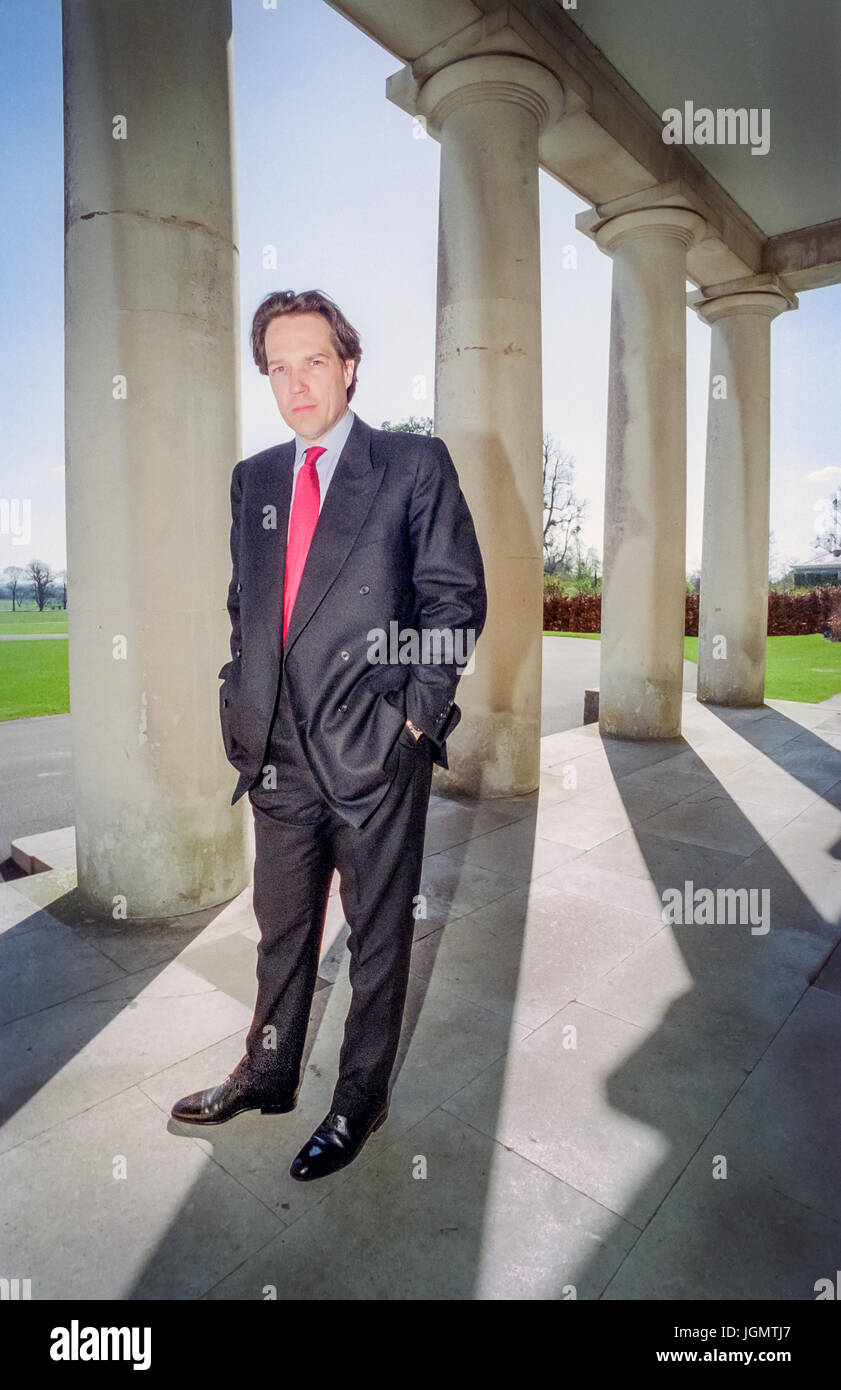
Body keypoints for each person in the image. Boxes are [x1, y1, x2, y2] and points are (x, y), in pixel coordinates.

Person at [171, 289, 486, 1181]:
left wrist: (413, 721)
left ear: (348, 366)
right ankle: (268, 1071)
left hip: (375, 751)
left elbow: (454, 601)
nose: (296, 381)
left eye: (314, 360)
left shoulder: (411, 465)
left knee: (379, 935)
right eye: (278, 365)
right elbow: (249, 609)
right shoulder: (255, 479)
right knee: (281, 930)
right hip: (276, 755)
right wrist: (241, 702)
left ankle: (359, 1097)